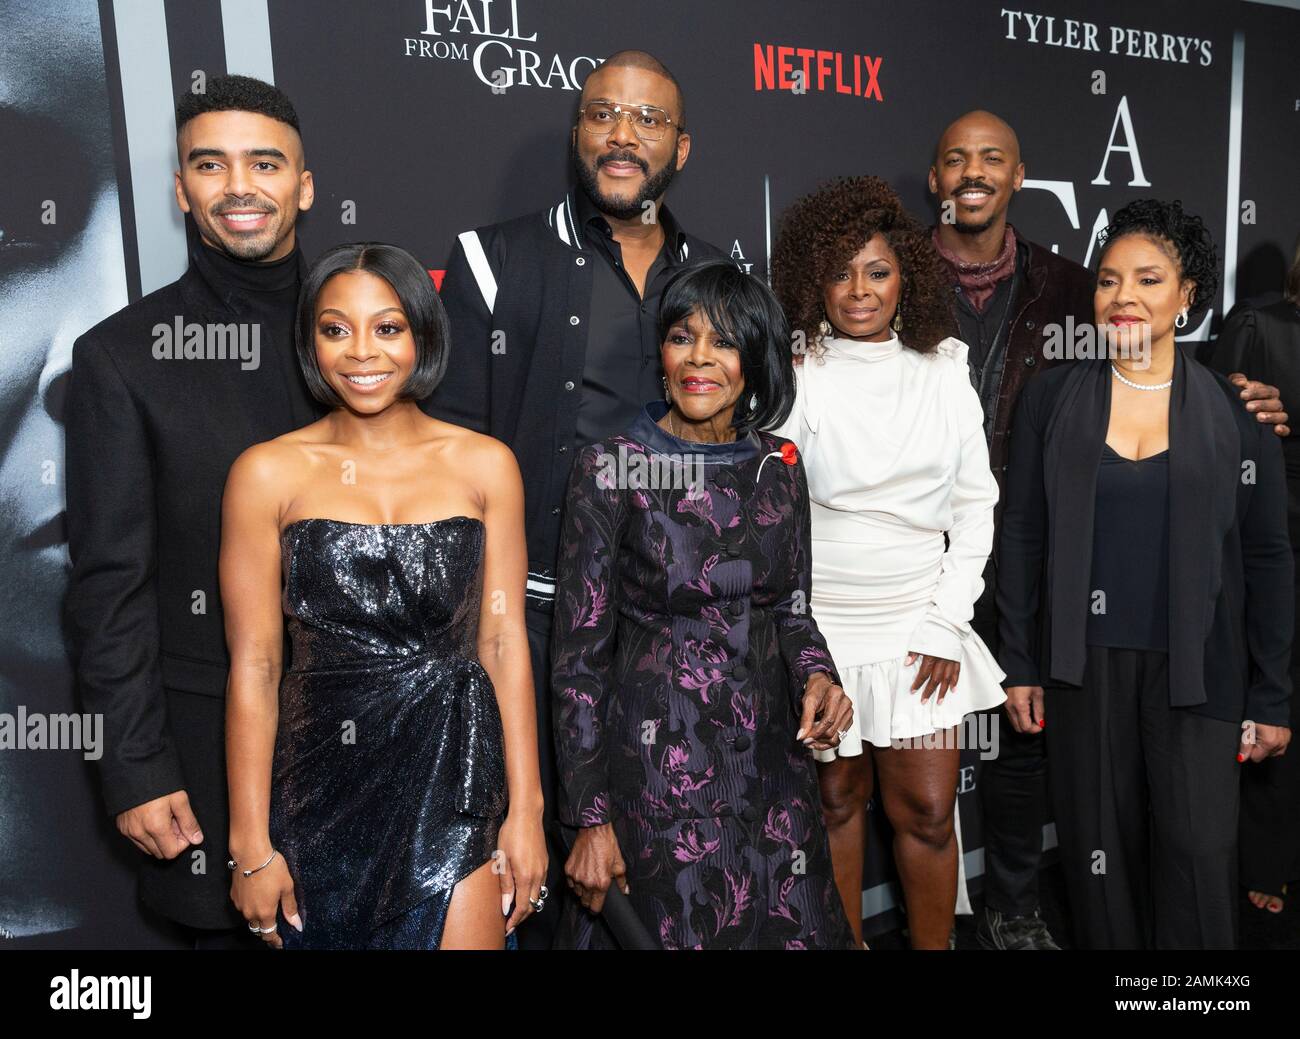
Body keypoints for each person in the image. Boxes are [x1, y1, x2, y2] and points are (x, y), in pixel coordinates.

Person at [927, 110, 1292, 950]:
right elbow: (1020, 537)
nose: (1123, 297)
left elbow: (1269, 558)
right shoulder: (1056, 396)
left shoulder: (1237, 412)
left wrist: (1272, 694)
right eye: (1109, 280)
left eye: (1149, 280)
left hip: (1199, 674)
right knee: (1101, 863)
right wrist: (1020, 663)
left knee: (1199, 854)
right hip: (1082, 672)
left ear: (1188, 295)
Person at [427, 49, 723, 947]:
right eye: (603, 114)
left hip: (677, 626)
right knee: (535, 874)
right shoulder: (489, 261)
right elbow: (452, 463)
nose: (622, 135)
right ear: (577, 131)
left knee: (660, 876)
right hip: (535, 623)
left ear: (683, 146)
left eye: (648, 120)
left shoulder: (716, 277)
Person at [219, 243, 547, 949]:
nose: (361, 351)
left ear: (423, 336)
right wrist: (251, 843)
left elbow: (501, 640)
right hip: (319, 789)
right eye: (336, 329)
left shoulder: (486, 465)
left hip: (454, 776)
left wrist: (527, 810)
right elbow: (254, 666)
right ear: (310, 341)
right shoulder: (266, 473)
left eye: (388, 327)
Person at [64, 75, 321, 948]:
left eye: (264, 162)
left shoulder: (370, 336)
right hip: (211, 758)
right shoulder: (122, 359)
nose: (238, 186)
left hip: (391, 745)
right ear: (180, 189)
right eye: (209, 165)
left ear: (305, 185)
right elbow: (110, 587)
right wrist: (132, 764)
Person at [551, 260, 856, 949]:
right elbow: (578, 662)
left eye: (723, 342)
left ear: (754, 360)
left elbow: (794, 608)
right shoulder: (611, 468)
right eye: (682, 336)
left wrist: (819, 676)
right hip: (660, 780)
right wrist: (591, 818)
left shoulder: (778, 464)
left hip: (774, 774)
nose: (699, 359)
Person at [771, 176, 1007, 950]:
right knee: (835, 803)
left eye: (877, 270)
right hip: (825, 626)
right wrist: (798, 638)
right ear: (815, 281)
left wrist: (946, 623)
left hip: (919, 623)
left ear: (907, 273)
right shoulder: (797, 369)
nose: (859, 290)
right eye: (840, 273)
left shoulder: (943, 368)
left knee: (929, 812)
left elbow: (975, 506)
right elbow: (772, 508)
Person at [1209, 242, 1300, 916]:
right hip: (1281, 542)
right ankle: (1265, 858)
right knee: (1277, 697)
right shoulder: (1258, 325)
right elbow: (1215, 430)